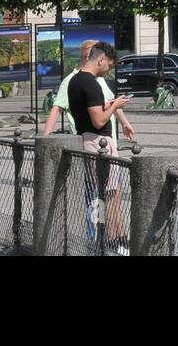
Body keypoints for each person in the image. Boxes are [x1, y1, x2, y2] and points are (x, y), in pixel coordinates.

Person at [67, 43, 133, 248]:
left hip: (86, 139)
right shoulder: (91, 84)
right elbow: (98, 121)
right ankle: (110, 240)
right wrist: (115, 106)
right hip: (99, 142)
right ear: (101, 59)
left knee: (102, 193)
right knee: (110, 193)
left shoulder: (75, 80)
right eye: (110, 65)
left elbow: (88, 114)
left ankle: (106, 238)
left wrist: (108, 106)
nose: (109, 70)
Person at [43, 38, 98, 135]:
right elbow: (56, 110)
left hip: (108, 141)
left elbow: (109, 100)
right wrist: (45, 140)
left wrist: (124, 122)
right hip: (86, 141)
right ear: (88, 57)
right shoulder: (70, 81)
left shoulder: (99, 77)